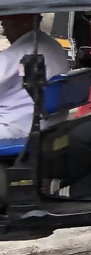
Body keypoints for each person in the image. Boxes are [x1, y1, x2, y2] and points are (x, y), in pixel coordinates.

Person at [0, 12, 72, 153]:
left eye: (4, 26)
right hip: (52, 122)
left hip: (20, 127)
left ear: (16, 25)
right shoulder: (54, 45)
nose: (4, 32)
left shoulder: (16, 54)